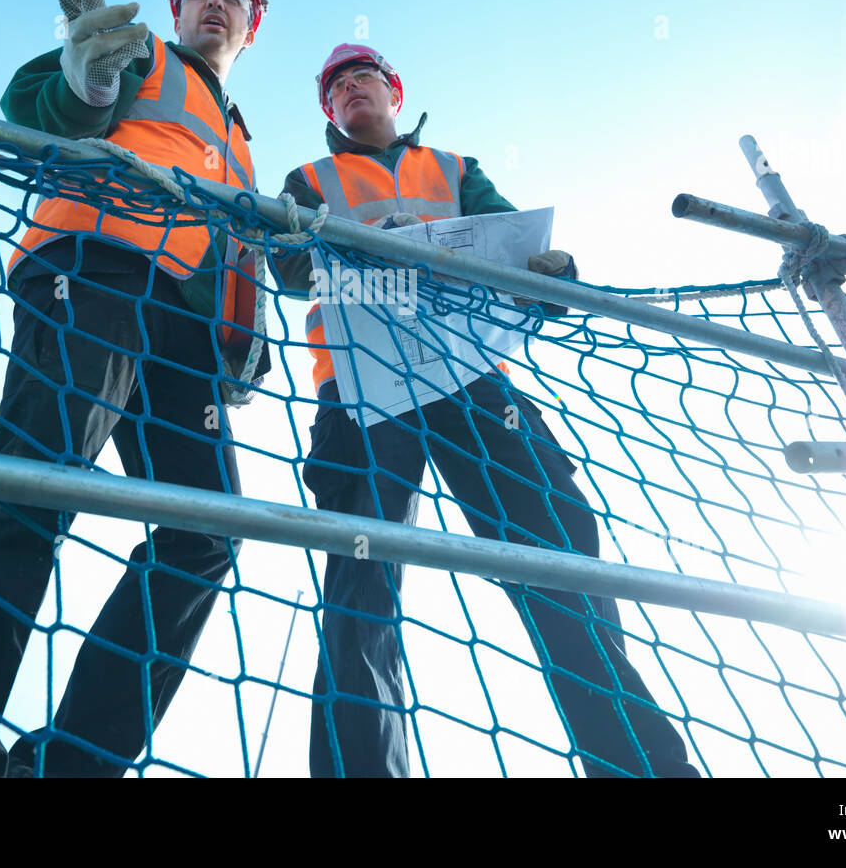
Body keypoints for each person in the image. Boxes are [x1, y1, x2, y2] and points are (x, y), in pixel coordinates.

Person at [0, 0, 268, 778]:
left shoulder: (241, 138)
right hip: (95, 270)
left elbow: (237, 251)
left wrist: (244, 339)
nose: (215, 5)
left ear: (252, 25)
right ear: (177, 5)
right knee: (34, 485)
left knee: (210, 529)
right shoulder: (137, 51)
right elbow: (30, 104)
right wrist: (84, 87)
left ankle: (69, 768)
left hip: (183, 334)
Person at [275, 43, 699, 778]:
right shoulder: (308, 180)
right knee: (361, 586)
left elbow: (515, 251)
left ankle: (640, 769)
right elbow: (282, 261)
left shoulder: (455, 168)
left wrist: (553, 275)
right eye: (336, 86)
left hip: (472, 380)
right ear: (329, 111)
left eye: (362, 76)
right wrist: (342, 243)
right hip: (359, 387)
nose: (350, 89)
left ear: (393, 90)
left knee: (560, 562)